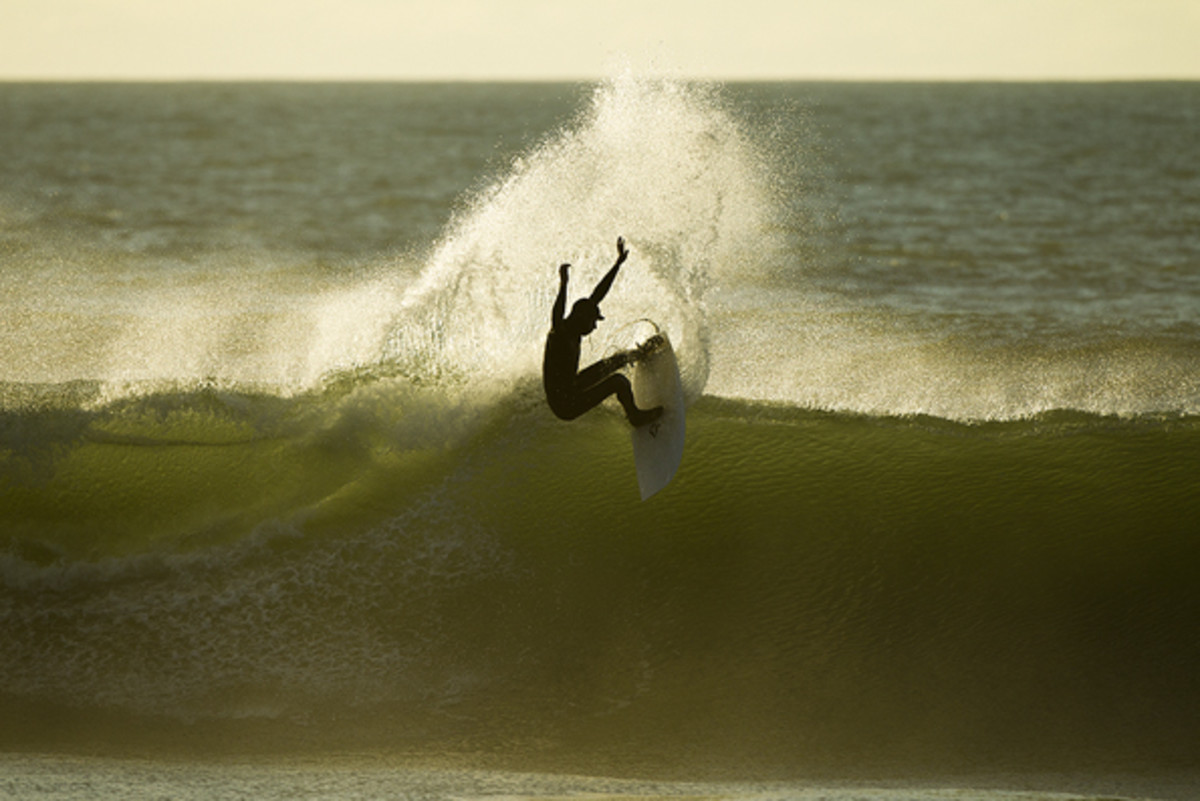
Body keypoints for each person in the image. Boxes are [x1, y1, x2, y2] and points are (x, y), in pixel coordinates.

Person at [543, 237, 663, 426]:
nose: (595, 327)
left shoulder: (574, 327)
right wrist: (564, 284)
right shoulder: (561, 333)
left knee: (618, 359)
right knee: (618, 381)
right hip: (565, 404)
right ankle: (635, 417)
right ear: (582, 318)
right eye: (593, 321)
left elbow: (597, 295)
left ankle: (642, 354)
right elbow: (557, 314)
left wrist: (617, 264)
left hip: (573, 385)